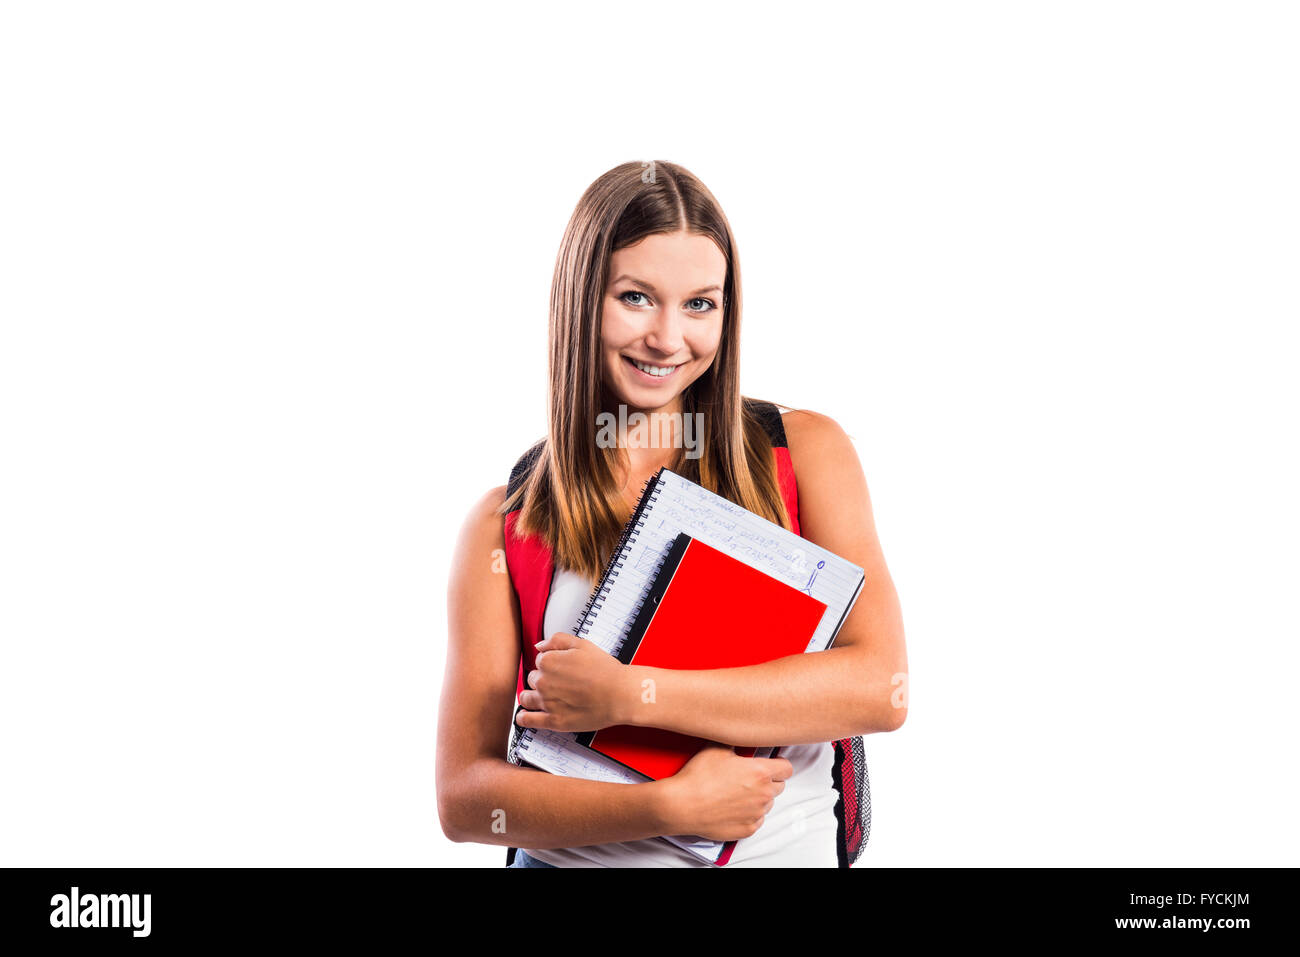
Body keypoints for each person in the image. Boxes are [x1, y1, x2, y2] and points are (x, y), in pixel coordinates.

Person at [437, 160, 907, 867]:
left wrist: (629, 695)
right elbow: (466, 798)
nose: (667, 338)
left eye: (699, 304)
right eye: (635, 297)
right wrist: (667, 806)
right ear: (580, 299)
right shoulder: (504, 523)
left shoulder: (804, 453)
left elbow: (880, 687)